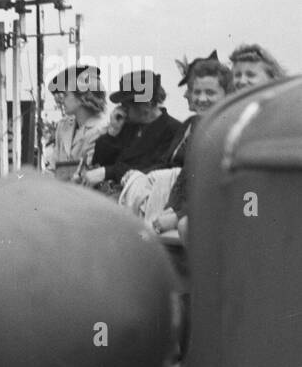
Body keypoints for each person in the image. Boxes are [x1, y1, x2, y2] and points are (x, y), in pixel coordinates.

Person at [150, 52, 231, 236]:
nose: (201, 99)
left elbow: (222, 191)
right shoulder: (200, 131)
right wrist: (170, 208)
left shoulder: (229, 133)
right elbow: (184, 180)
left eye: (210, 93)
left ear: (227, 96)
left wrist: (177, 216)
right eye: (197, 92)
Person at [81, 70, 183, 193]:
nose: (121, 108)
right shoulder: (125, 126)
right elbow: (99, 162)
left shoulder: (174, 131)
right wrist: (112, 133)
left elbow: (153, 170)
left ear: (147, 104)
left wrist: (110, 172)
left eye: (127, 104)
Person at [47, 64, 110, 181]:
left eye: (65, 95)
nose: (61, 100)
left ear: (82, 97)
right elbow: (53, 167)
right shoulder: (63, 126)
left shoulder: (103, 129)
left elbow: (90, 173)